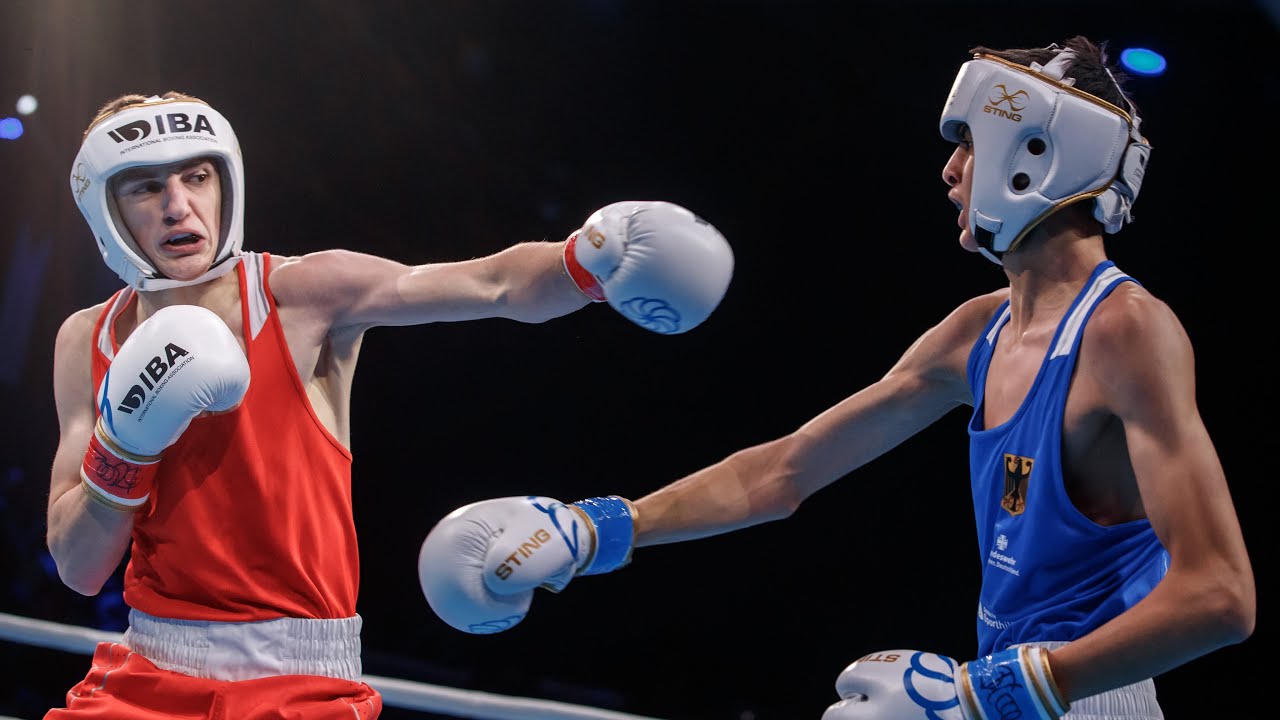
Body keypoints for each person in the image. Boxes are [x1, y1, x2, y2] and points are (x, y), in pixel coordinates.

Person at [418, 36, 1256, 719]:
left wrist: (985, 695)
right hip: (1015, 695)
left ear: (1035, 150)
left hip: (1081, 702)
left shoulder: (1126, 331)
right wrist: (600, 529)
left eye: (969, 142)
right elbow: (783, 471)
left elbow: (1221, 595)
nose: (951, 170)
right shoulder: (980, 331)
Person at [45, 91, 734, 718]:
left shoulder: (304, 294)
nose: (177, 205)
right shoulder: (87, 339)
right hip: (143, 676)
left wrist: (585, 264)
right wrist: (125, 444)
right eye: (145, 186)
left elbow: (489, 283)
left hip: (298, 682)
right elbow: (79, 568)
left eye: (196, 177)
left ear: (226, 182)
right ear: (106, 211)